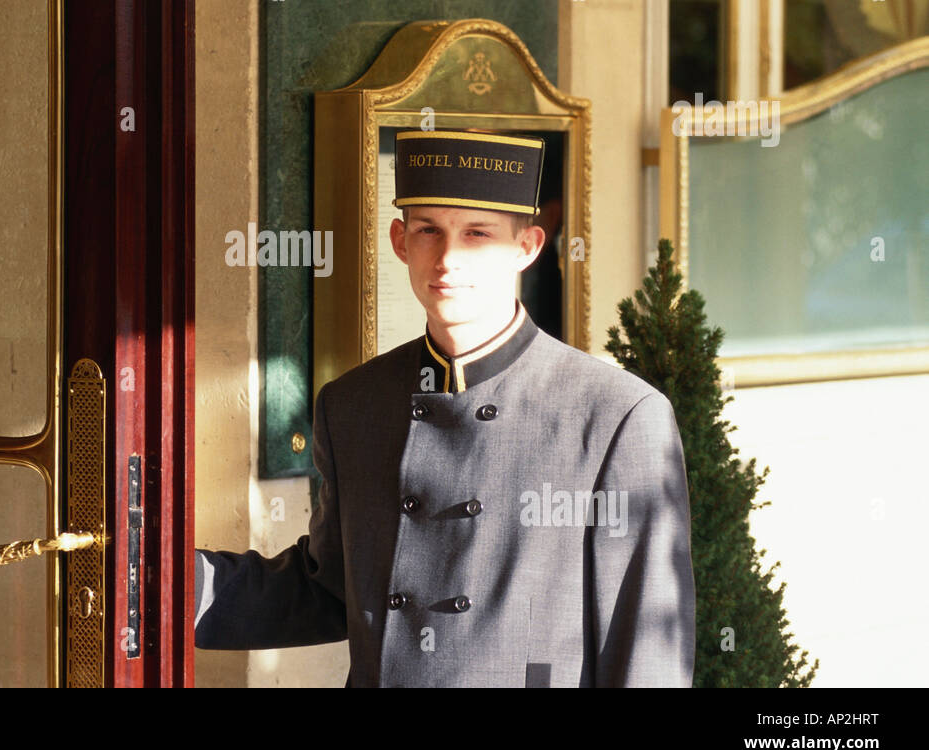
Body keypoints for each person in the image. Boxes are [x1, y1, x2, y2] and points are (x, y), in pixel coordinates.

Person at [194, 130, 695, 687]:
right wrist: (163, 582)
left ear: (527, 247)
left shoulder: (617, 417)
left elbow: (646, 651)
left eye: (477, 234)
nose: (448, 258)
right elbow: (327, 587)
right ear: (399, 241)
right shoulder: (353, 405)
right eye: (428, 230)